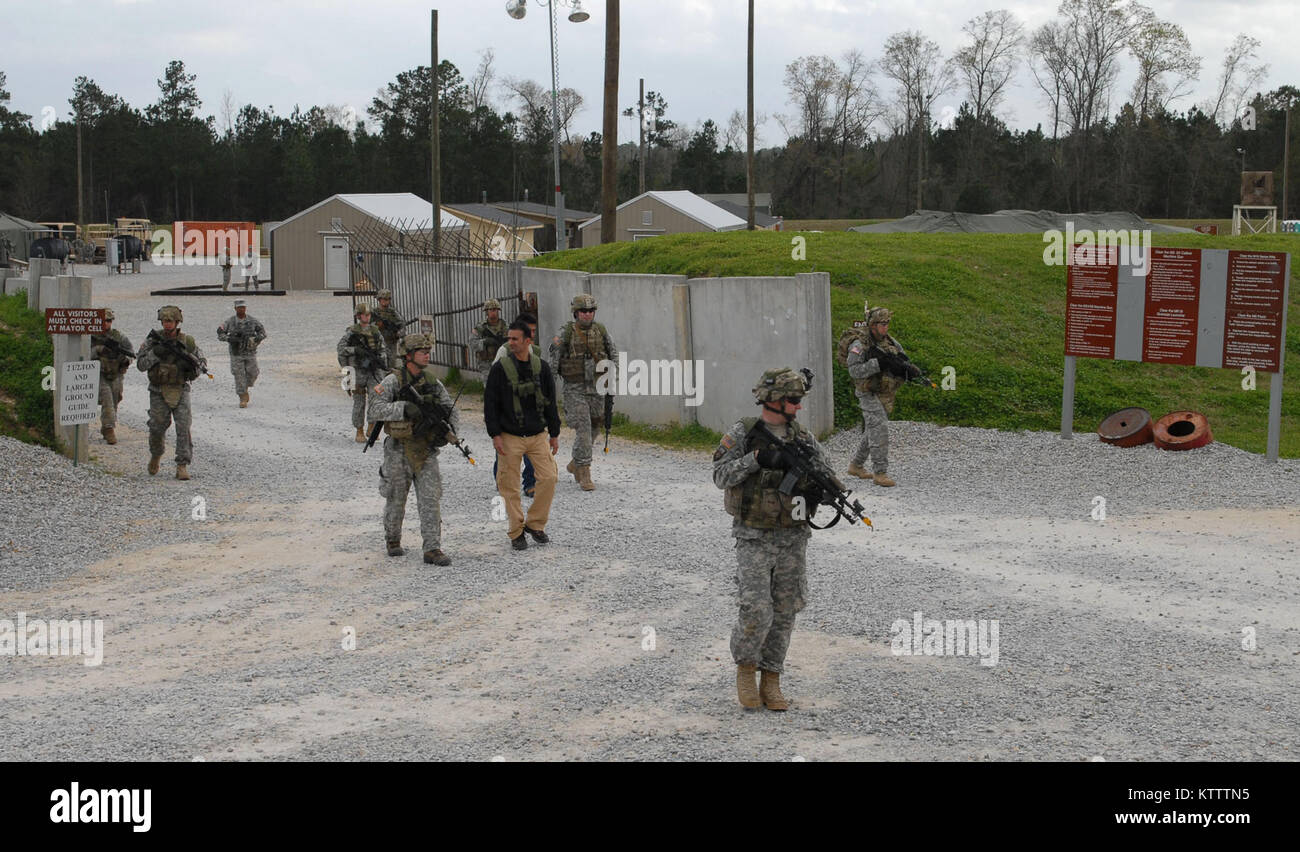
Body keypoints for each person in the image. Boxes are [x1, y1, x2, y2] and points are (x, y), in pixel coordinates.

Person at [712, 367, 837, 711]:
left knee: (785, 611)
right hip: (753, 536)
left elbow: (828, 475)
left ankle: (772, 678)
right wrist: (754, 460)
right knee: (755, 609)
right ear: (774, 400)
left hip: (793, 537)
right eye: (793, 400)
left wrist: (819, 487)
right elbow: (720, 475)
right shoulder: (744, 433)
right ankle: (746, 669)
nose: (798, 407)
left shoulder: (803, 438)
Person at [368, 334, 457, 565]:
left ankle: (432, 548)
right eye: (422, 351)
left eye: (428, 350)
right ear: (408, 355)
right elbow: (375, 410)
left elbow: (449, 409)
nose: (427, 354)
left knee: (430, 499)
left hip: (425, 450)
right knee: (396, 498)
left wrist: (446, 432)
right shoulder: (392, 381)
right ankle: (393, 539)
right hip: (399, 450)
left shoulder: (432, 382)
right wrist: (403, 408)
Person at [485, 320, 560, 551]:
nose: (511, 342)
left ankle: (536, 524)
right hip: (510, 436)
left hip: (537, 435)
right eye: (509, 338)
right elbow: (490, 404)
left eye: (515, 339)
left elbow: (550, 402)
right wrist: (495, 434)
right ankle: (516, 531)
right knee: (509, 485)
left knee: (548, 478)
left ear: (528, 341)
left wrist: (554, 433)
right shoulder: (500, 369)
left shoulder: (542, 367)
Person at [845, 306, 921, 488]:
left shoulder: (891, 342)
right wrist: (876, 364)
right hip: (867, 391)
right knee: (879, 427)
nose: (886, 327)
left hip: (884, 392)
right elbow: (854, 371)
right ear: (872, 325)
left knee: (874, 427)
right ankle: (880, 472)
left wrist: (908, 370)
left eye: (887, 323)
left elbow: (902, 360)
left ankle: (856, 465)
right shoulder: (859, 345)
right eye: (882, 324)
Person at [549, 293, 617, 491]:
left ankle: (575, 462)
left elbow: (613, 354)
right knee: (584, 428)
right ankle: (585, 471)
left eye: (590, 311)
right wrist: (547, 391)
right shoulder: (565, 334)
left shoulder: (601, 331)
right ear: (576, 313)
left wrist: (613, 379)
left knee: (597, 425)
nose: (587, 315)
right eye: (583, 311)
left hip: (597, 387)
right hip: (574, 389)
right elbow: (553, 362)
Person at [136, 305, 208, 480]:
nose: (167, 324)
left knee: (183, 427)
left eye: (170, 321)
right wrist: (155, 354)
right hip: (158, 390)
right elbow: (140, 365)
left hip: (180, 389)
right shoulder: (152, 341)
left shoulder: (187, 342)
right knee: (157, 427)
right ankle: (156, 454)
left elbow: (202, 364)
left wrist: (191, 370)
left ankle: (182, 464)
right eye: (164, 321)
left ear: (177, 322)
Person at [493, 312, 539, 498]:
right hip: (507, 407)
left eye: (534, 331)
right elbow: (495, 380)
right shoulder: (504, 351)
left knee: (530, 445)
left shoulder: (533, 351)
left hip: (527, 407)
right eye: (530, 331)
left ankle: (530, 483)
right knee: (504, 448)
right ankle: (501, 479)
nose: (533, 335)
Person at [337, 302, 389, 443]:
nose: (367, 317)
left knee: (376, 398)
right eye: (365, 315)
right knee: (359, 401)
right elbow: (341, 349)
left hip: (374, 370)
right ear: (359, 316)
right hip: (357, 370)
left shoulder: (375, 331)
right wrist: (355, 351)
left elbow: (383, 348)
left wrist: (380, 358)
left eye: (369, 314)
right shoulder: (352, 332)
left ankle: (371, 426)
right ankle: (359, 430)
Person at [91, 308, 133, 445]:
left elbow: (131, 354)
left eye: (108, 321)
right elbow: (82, 354)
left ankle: (106, 426)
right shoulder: (91, 336)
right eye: (103, 321)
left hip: (116, 374)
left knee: (116, 398)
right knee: (107, 398)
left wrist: (124, 359)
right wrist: (98, 350)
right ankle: (109, 429)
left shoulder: (119, 337)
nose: (105, 324)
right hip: (99, 373)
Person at [216, 298, 267, 408]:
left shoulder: (253, 321)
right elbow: (220, 333)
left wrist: (256, 339)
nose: (241, 309)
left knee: (253, 373)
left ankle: (246, 387)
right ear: (235, 309)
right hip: (236, 353)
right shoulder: (230, 322)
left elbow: (263, 332)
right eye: (239, 308)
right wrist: (229, 339)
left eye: (243, 307)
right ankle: (242, 397)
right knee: (238, 375)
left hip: (250, 352)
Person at [371, 290, 406, 367]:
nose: (385, 301)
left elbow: (402, 324)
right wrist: (376, 326)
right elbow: (368, 326)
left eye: (387, 299)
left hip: (391, 342)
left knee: (391, 364)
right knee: (380, 364)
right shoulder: (374, 312)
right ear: (379, 300)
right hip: (378, 343)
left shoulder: (393, 312)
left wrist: (399, 333)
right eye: (383, 299)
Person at [471, 299, 509, 366]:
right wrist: (484, 341)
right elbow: (471, 343)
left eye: (495, 309)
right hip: (486, 363)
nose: (493, 312)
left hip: (503, 361)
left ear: (498, 310)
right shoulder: (481, 327)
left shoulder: (505, 326)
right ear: (486, 312)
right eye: (490, 309)